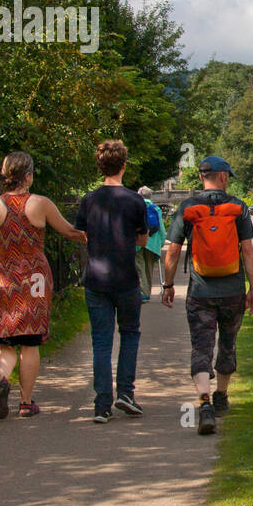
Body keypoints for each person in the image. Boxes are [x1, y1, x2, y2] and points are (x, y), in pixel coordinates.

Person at [0, 151, 86, 419]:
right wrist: (97, 238)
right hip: (35, 280)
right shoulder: (41, 203)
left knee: (4, 339)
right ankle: (26, 402)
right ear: (27, 176)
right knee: (29, 341)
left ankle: (3, 380)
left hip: (4, 278)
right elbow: (69, 231)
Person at [160, 155, 253, 436]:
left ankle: (203, 404)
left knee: (201, 346)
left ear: (202, 177)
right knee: (227, 343)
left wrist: (168, 285)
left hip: (200, 292)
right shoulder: (238, 208)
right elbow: (249, 250)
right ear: (224, 177)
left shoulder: (188, 207)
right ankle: (221, 398)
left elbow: (174, 249)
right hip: (232, 292)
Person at [74, 139, 148, 424]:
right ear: (124, 166)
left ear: (99, 165)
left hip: (96, 279)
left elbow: (82, 234)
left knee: (101, 341)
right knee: (130, 333)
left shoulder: (89, 200)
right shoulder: (134, 200)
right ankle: (126, 393)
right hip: (126, 277)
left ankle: (102, 404)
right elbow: (142, 238)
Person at [136, 186, 165, 301]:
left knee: (139, 267)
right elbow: (161, 228)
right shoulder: (155, 208)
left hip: (137, 242)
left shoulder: (135, 207)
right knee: (149, 268)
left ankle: (143, 292)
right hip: (153, 243)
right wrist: (161, 242)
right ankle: (147, 292)